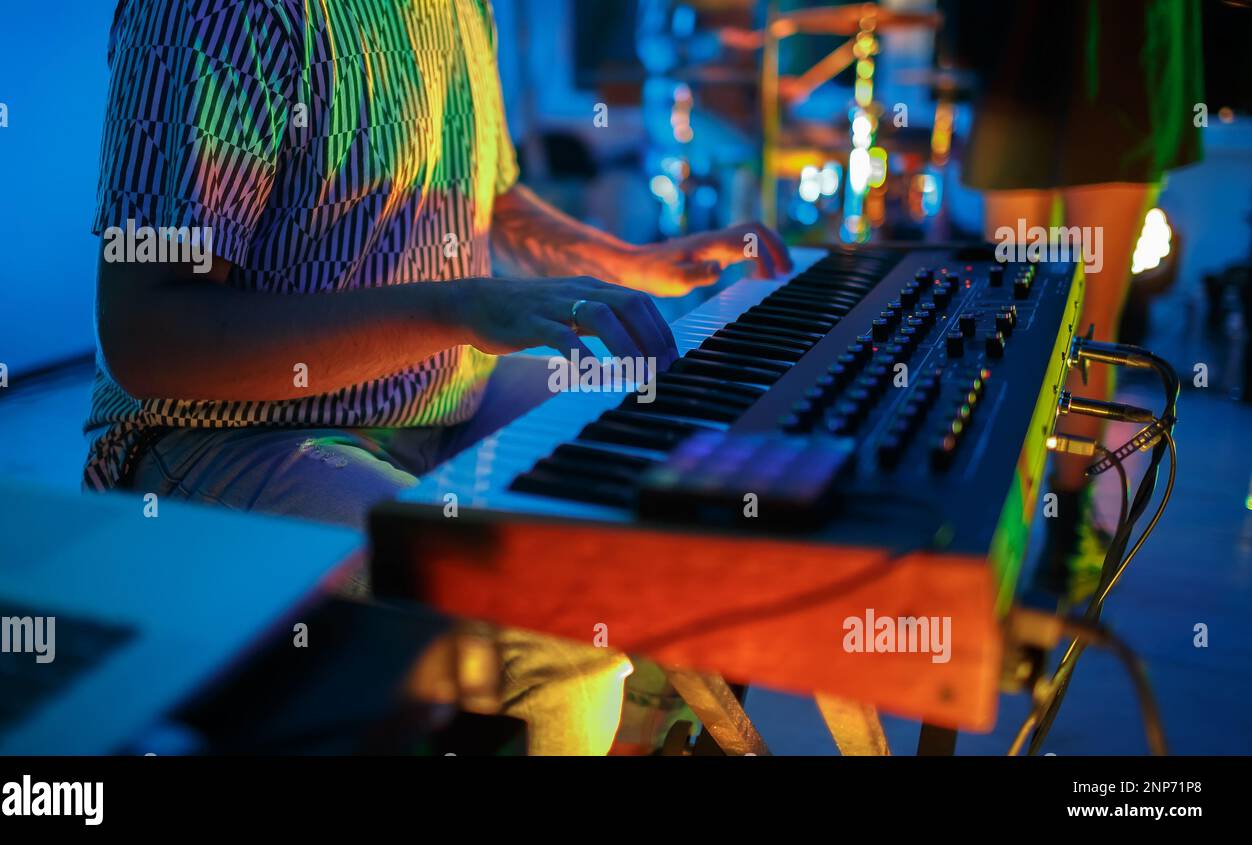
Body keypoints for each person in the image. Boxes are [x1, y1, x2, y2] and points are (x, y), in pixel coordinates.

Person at [83, 0, 790, 755]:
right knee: (553, 635)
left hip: (443, 397)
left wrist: (630, 263)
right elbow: (147, 332)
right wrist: (457, 306)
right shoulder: (214, 14)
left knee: (685, 470)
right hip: (228, 435)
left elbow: (493, 202)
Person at [944, 0, 1203, 598]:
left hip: (1112, 42)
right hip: (1025, 44)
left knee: (1081, 326)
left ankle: (1063, 533)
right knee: (1010, 317)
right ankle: (1005, 533)